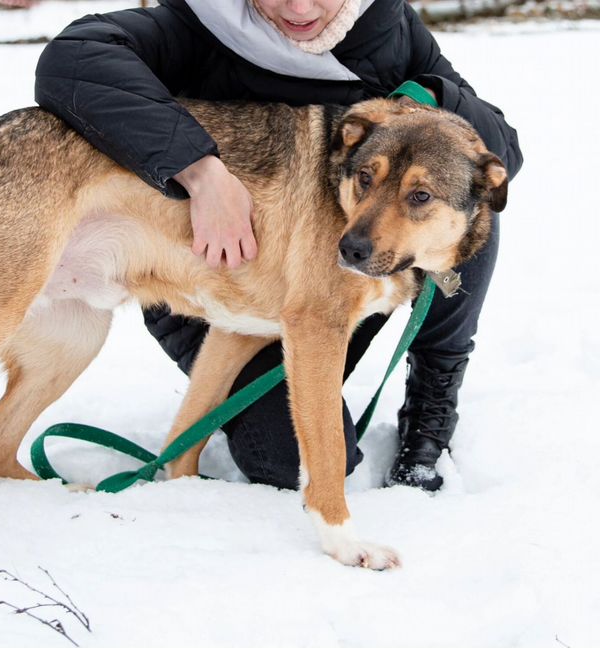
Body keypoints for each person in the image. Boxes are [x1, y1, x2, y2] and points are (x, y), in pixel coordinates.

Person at [34, 0, 522, 491]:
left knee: (459, 206)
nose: (298, 8)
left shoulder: (384, 29)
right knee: (282, 461)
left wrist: (432, 97)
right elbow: (73, 59)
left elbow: (503, 150)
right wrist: (199, 170)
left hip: (335, 267)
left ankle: (432, 401)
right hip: (202, 271)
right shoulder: (200, 23)